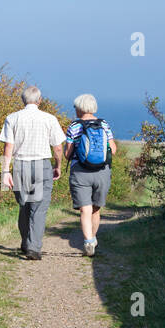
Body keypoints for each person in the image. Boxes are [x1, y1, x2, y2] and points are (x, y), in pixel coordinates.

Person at [0, 86, 65, 260]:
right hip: (42, 164)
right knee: (39, 208)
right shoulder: (49, 119)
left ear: (23, 100)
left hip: (20, 165)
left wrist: (6, 171)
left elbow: (8, 147)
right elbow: (58, 147)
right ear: (39, 100)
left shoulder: (12, 118)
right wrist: (57, 165)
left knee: (25, 205)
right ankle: (33, 247)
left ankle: (26, 242)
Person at [62, 94, 117, 257]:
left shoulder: (74, 126)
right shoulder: (104, 124)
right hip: (102, 172)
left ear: (80, 108)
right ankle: (93, 237)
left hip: (80, 172)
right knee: (95, 209)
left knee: (84, 209)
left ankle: (88, 242)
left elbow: (68, 154)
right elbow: (113, 149)